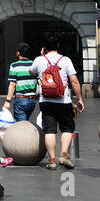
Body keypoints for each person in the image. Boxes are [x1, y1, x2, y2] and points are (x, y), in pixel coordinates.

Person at [30, 35, 85, 170]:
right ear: (58, 45)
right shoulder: (65, 60)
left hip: (46, 100)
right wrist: (80, 99)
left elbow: (31, 72)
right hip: (64, 100)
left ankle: (52, 160)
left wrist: (41, 57)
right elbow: (74, 81)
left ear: (44, 48)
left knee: (49, 130)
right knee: (67, 128)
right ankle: (64, 155)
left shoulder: (39, 59)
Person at [5, 41, 38, 122]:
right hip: (32, 101)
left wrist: (7, 101)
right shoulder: (34, 64)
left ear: (18, 53)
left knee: (21, 126)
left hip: (21, 100)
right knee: (25, 122)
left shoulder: (14, 65)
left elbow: (12, 84)